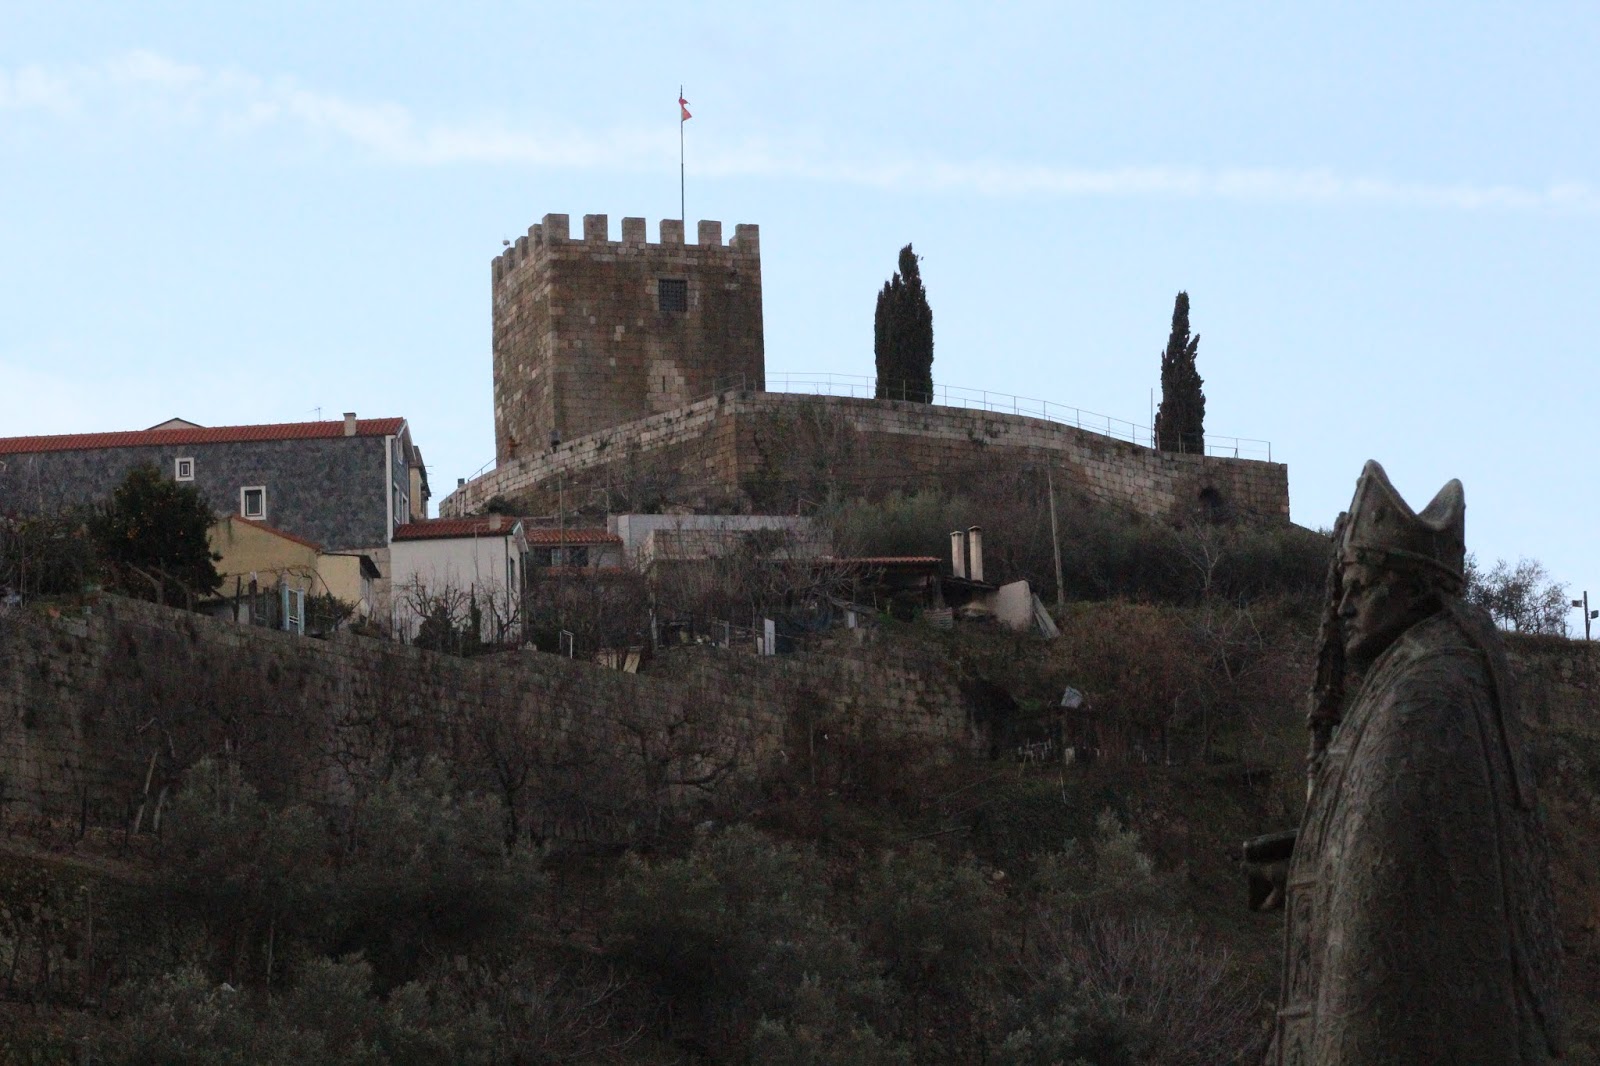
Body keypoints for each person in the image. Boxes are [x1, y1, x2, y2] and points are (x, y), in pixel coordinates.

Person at [1271, 460, 1562, 1064]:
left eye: (1364, 587)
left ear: (1413, 592)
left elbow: (1390, 918)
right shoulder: (1416, 675)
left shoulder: (1425, 697)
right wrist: (1317, 860)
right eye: (1345, 588)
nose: (1345, 606)